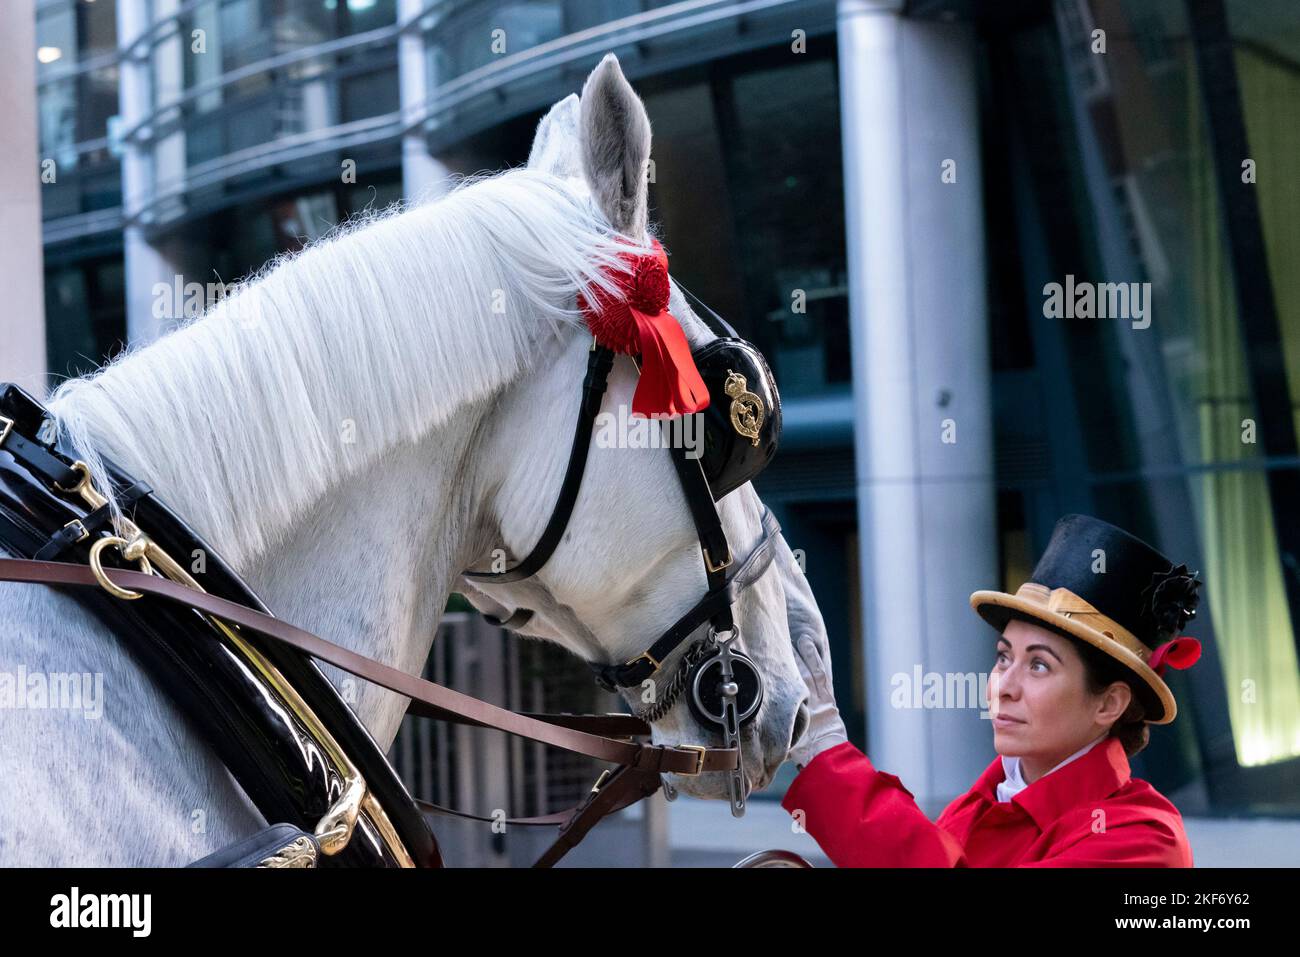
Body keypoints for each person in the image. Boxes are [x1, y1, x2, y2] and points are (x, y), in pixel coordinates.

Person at [781, 514, 1202, 867]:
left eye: (1039, 665)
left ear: (1109, 703)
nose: (1003, 687)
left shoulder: (1145, 840)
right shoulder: (980, 803)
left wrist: (827, 755)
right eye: (1004, 658)